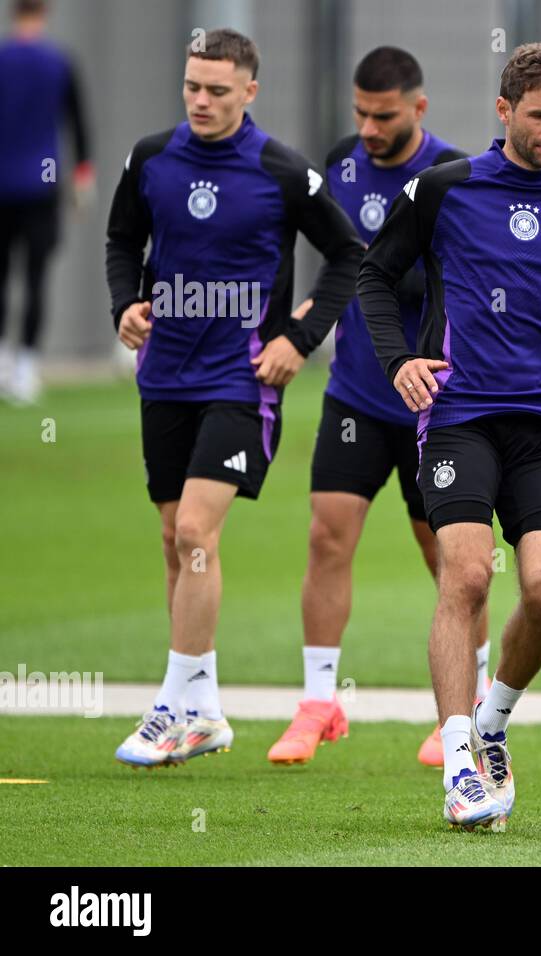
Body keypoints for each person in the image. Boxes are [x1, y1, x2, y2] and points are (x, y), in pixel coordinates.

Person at [358, 42, 541, 831]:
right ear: (504, 111)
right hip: (459, 414)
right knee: (469, 577)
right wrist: (398, 358)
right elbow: (376, 275)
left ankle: (492, 724)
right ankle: (456, 764)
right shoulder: (443, 190)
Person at [105, 28, 364, 768]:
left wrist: (297, 338)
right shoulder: (151, 159)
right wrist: (126, 302)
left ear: (250, 91)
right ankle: (205, 709)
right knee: (176, 541)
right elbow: (123, 241)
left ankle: (171, 705)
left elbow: (347, 255)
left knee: (193, 529)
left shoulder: (282, 171)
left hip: (241, 383)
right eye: (192, 86)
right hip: (164, 374)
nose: (201, 101)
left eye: (218, 90)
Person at [265, 46, 484, 769]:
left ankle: (467, 709)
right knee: (327, 538)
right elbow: (338, 261)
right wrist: (310, 316)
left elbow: (442, 280)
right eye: (359, 112)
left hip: (429, 402)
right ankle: (319, 701)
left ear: (417, 110)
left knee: (448, 558)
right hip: (356, 393)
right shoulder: (341, 163)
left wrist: (386, 288)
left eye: (382, 115)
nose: (366, 127)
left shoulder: (453, 176)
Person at [0, 0, 92, 403]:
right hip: (43, 182)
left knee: (1, 276)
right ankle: (25, 367)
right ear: (45, 13)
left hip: (2, 184)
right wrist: (81, 179)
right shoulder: (58, 63)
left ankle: (3, 359)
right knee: (36, 278)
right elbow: (77, 122)